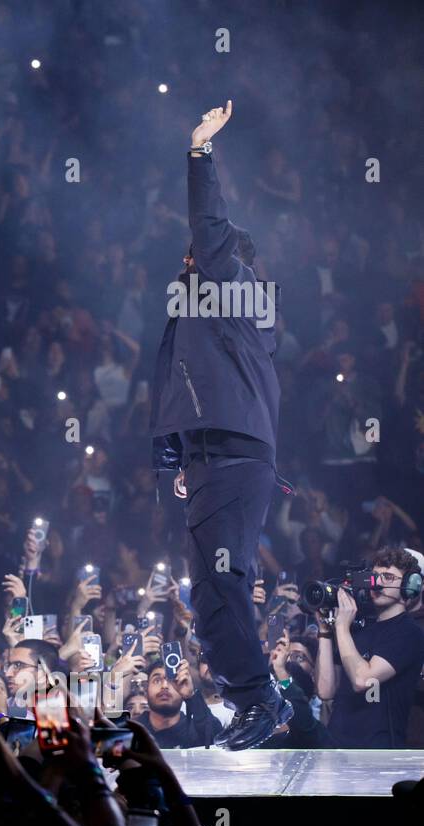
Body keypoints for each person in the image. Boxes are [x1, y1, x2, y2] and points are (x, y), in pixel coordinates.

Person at [148, 102, 293, 750]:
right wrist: (175, 461)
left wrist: (200, 153)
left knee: (221, 585)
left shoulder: (238, 295)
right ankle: (253, 699)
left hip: (232, 458)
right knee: (209, 592)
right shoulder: (198, 322)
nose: (188, 263)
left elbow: (210, 231)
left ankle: (262, 699)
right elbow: (173, 394)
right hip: (216, 461)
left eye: (199, 258)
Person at [316, 547, 424, 748]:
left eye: (388, 577)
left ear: (410, 585)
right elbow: (325, 690)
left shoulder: (409, 633)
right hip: (335, 745)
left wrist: (341, 627)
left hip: (377, 752)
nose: (378, 583)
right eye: (375, 576)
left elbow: (363, 679)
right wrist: (324, 631)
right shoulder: (356, 628)